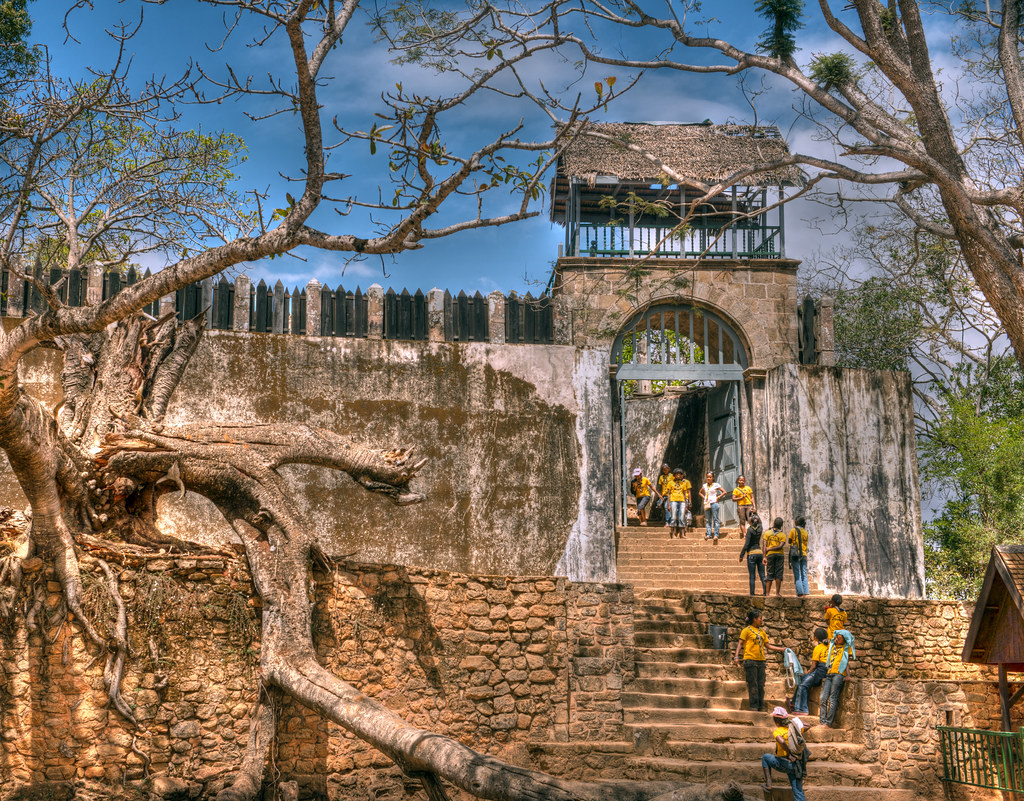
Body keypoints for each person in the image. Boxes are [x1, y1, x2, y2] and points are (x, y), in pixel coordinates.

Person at [732, 608, 787, 712]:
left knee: (761, 684)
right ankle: (753, 707)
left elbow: (767, 645)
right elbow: (740, 644)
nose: (762, 620)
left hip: (761, 661)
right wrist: (736, 657)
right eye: (760, 618)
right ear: (754, 619)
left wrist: (781, 649)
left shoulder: (762, 632)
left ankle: (760, 706)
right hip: (750, 660)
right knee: (753, 684)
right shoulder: (746, 630)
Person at [761, 706, 812, 801]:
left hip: (785, 762)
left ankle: (768, 784)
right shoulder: (794, 730)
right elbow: (808, 725)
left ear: (776, 722)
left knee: (765, 757)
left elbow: (782, 742)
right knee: (798, 792)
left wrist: (789, 754)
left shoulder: (777, 731)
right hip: (796, 765)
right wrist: (794, 721)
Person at [820, 629, 855, 727]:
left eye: (839, 638)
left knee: (832, 698)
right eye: (836, 637)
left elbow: (846, 662)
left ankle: (828, 723)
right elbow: (826, 641)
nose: (836, 639)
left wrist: (848, 675)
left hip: (839, 674)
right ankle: (822, 722)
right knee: (822, 698)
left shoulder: (845, 648)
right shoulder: (832, 646)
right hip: (829, 673)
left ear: (844, 640)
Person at [792, 627, 829, 714]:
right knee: (802, 679)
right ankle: (794, 703)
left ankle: (802, 709)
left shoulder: (818, 648)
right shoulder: (830, 646)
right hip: (828, 669)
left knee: (802, 685)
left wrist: (809, 671)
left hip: (820, 671)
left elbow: (814, 665)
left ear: (815, 637)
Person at [738, 511, 767, 596]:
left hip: (751, 554)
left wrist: (741, 555)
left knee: (752, 576)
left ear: (750, 521)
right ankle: (765, 592)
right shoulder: (760, 528)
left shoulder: (750, 530)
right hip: (760, 553)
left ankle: (752, 594)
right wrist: (755, 513)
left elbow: (746, 544)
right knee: (762, 575)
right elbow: (760, 521)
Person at [763, 517, 787, 597]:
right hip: (779, 555)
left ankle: (767, 594)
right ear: (781, 525)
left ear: (774, 524)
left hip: (770, 555)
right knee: (778, 574)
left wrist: (764, 556)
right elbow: (780, 546)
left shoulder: (767, 533)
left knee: (769, 573)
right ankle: (777, 593)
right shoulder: (782, 535)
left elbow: (764, 546)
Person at [699, 471, 725, 543]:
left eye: (710, 477)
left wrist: (718, 497)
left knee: (715, 519)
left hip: (714, 503)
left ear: (713, 477)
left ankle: (716, 534)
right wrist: (704, 498)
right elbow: (700, 492)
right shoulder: (704, 485)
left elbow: (724, 492)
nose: (709, 478)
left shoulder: (716, 485)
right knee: (708, 519)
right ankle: (708, 534)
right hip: (707, 503)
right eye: (707, 477)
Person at [666, 467, 691, 539]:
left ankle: (682, 534)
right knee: (673, 517)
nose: (678, 476)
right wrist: (668, 504)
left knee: (682, 517)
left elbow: (684, 493)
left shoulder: (683, 483)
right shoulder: (670, 483)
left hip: (682, 501)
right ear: (674, 475)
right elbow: (668, 494)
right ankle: (673, 533)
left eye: (680, 474)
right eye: (677, 474)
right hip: (673, 500)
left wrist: (686, 504)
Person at [788, 516, 810, 597]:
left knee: (797, 574)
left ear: (796, 522)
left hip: (796, 554)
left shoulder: (793, 530)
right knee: (804, 573)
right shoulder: (805, 532)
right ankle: (806, 592)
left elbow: (789, 541)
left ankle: (800, 593)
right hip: (804, 554)